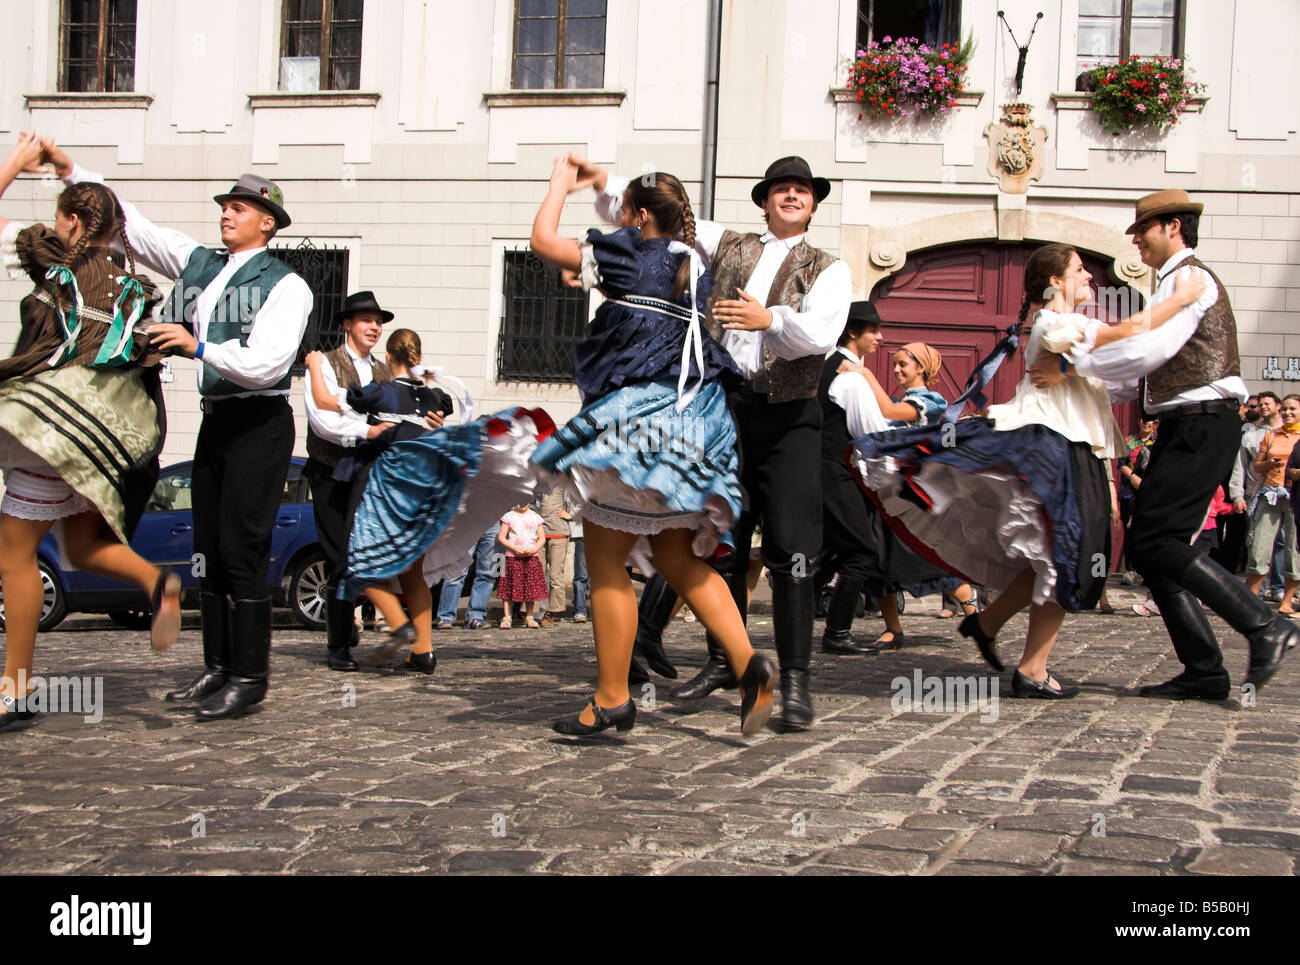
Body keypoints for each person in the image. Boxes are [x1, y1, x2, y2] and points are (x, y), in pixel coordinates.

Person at [858, 243, 1205, 697]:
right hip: (1052, 449)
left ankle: (987, 624)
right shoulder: (1055, 322)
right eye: (1080, 270)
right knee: (1063, 557)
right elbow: (1128, 333)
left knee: (1052, 556)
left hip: (1071, 449)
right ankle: (1031, 670)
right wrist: (1179, 300)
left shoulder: (1065, 328)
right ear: (1055, 282)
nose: (1089, 278)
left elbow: (1119, 369)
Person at [42, 140, 312, 721]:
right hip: (219, 423)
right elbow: (131, 225)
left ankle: (250, 677)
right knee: (208, 550)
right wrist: (71, 170)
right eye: (225, 205)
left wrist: (198, 345)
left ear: (267, 222)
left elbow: (268, 362)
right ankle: (217, 667)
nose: (226, 212)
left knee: (242, 549)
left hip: (260, 424)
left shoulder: (287, 284)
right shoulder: (200, 262)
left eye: (239, 207)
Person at [580, 154, 850, 730]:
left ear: (814, 203)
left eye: (802, 189)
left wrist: (769, 319)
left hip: (790, 417)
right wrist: (606, 183)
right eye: (781, 188)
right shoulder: (723, 244)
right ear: (764, 200)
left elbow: (823, 332)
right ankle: (727, 661)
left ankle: (795, 680)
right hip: (722, 410)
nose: (792, 195)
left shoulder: (829, 266)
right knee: (712, 539)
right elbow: (654, 216)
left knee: (790, 548)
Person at [529, 156, 776, 736]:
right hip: (694, 425)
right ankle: (748, 665)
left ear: (639, 216)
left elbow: (542, 241)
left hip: (638, 422)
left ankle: (612, 696)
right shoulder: (698, 264)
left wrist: (560, 183)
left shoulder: (625, 254)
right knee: (675, 557)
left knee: (606, 557)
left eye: (629, 215)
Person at [1063, 190, 1296, 697]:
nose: (1135, 241)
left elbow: (1152, 349)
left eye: (1141, 229)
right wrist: (1086, 381)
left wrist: (1076, 359)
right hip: (1187, 422)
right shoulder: (1174, 281)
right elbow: (1152, 374)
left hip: (1204, 423)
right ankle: (1206, 670)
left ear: (1172, 227)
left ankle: (1265, 626)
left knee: (1157, 542)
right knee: (1152, 545)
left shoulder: (1190, 279)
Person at [0, 133, 180, 728]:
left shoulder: (63, 268)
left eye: (61, 219)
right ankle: (158, 583)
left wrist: (17, 165)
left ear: (75, 224)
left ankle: (16, 687)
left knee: (14, 557)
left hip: (54, 424)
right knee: (81, 547)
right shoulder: (131, 284)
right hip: (102, 437)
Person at [306, 327, 453, 671]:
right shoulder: (434, 398)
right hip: (421, 491)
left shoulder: (381, 392)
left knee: (358, 557)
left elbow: (328, 401)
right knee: (414, 573)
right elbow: (442, 408)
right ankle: (424, 651)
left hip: (384, 488)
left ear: (388, 358)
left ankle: (397, 625)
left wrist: (313, 366)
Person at [826, 325, 979, 651]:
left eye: (903, 365)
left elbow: (890, 414)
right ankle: (893, 629)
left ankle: (972, 608)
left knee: (925, 555)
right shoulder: (898, 398)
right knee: (880, 560)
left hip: (915, 493)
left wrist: (864, 373)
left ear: (921, 368)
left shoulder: (932, 401)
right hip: (887, 490)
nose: (896, 370)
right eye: (894, 364)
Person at [303, 291, 399, 669]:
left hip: (369, 475)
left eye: (378, 321)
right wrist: (369, 429)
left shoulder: (383, 372)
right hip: (331, 472)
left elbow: (397, 415)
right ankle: (338, 644)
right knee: (339, 558)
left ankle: (359, 622)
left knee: (367, 555)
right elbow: (323, 422)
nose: (374, 327)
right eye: (365, 320)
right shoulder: (324, 364)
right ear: (347, 324)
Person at [1243, 395, 1300, 608]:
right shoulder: (1272, 435)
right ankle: (1251, 599)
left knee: (1293, 549)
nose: (1287, 413)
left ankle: (1287, 600)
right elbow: (1256, 467)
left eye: (1292, 409)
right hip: (1271, 494)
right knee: (1259, 545)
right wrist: (1268, 463)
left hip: (1295, 496)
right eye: (1284, 409)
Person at [1117, 417, 1157, 582]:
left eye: (1150, 420)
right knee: (1130, 531)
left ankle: (1148, 572)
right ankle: (1130, 570)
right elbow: (1122, 463)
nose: (1147, 423)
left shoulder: (1158, 443)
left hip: (1151, 493)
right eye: (1143, 419)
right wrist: (1133, 477)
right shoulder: (1128, 441)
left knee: (1150, 532)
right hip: (1129, 492)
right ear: (1138, 421)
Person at [495, 502, 547, 629]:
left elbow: (542, 538)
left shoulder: (536, 517)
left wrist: (535, 548)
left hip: (530, 557)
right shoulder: (509, 516)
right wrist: (513, 548)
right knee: (508, 587)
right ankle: (507, 617)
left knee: (531, 587)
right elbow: (502, 537)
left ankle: (529, 616)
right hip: (512, 557)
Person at [535, 487, 571, 626]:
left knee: (556, 576)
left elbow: (581, 498)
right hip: (539, 532)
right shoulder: (540, 481)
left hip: (559, 532)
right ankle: (533, 611)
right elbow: (531, 502)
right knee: (537, 573)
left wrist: (571, 513)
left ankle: (551, 612)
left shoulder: (566, 481)